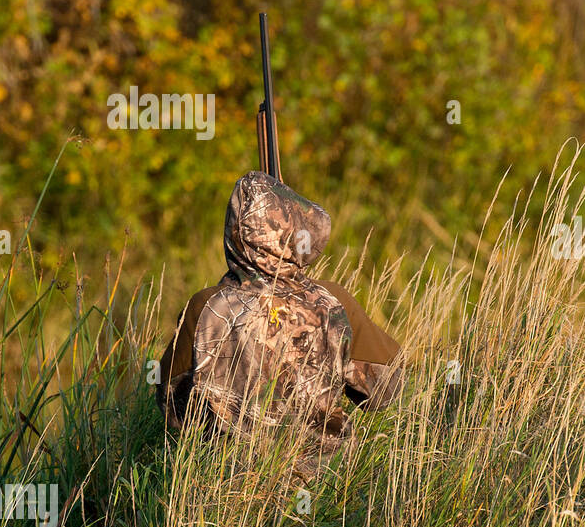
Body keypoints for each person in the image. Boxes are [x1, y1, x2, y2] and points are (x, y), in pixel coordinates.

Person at [156, 171, 402, 458]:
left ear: (236, 231)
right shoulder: (335, 302)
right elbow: (386, 390)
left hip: (228, 483)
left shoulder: (207, 306)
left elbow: (171, 408)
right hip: (328, 484)